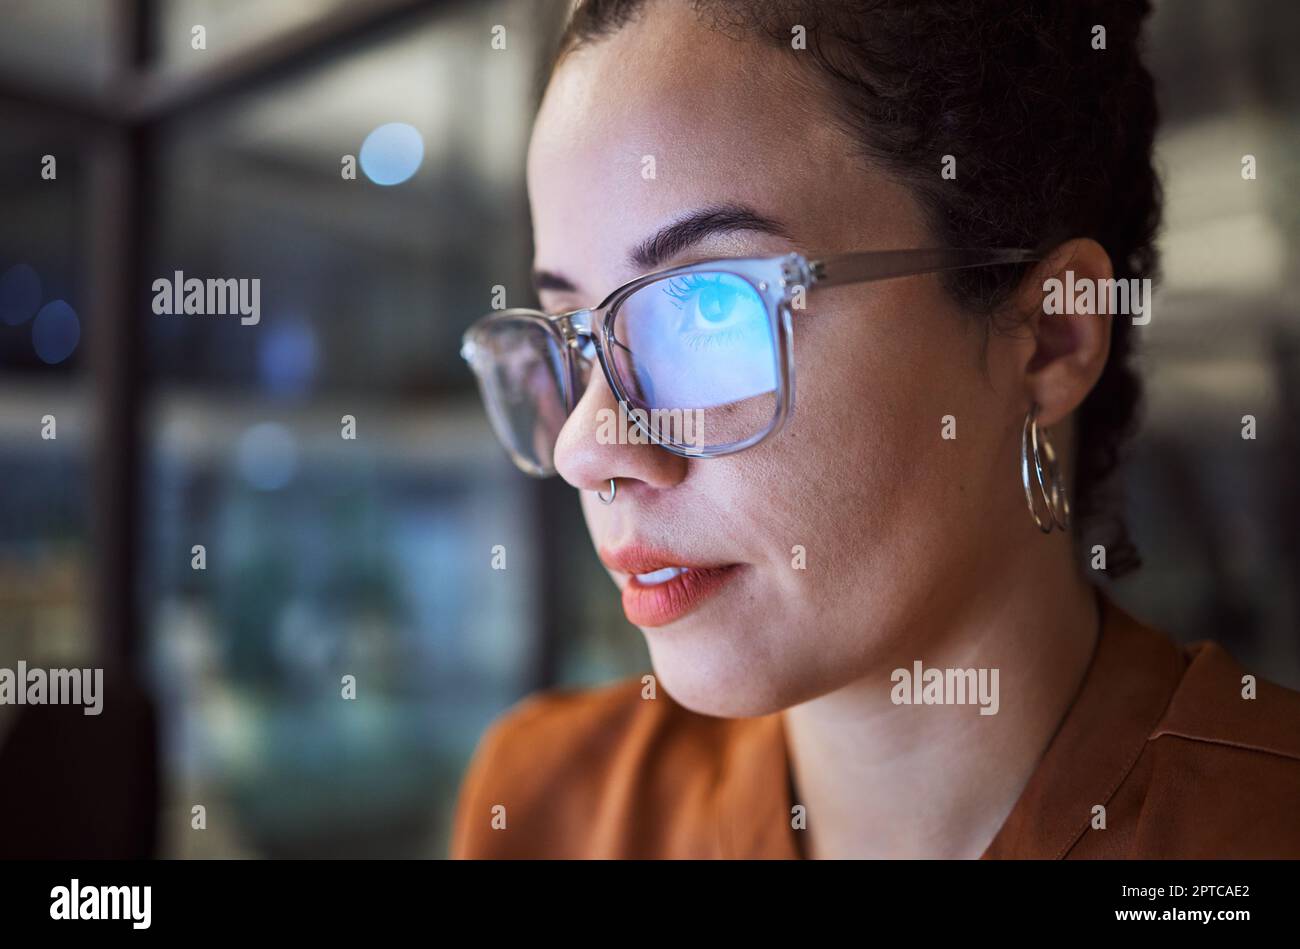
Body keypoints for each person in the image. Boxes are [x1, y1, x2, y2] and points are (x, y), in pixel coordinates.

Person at [451, 0, 1300, 858]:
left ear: (1049, 337)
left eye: (708, 309)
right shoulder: (549, 807)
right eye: (572, 329)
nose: (585, 446)